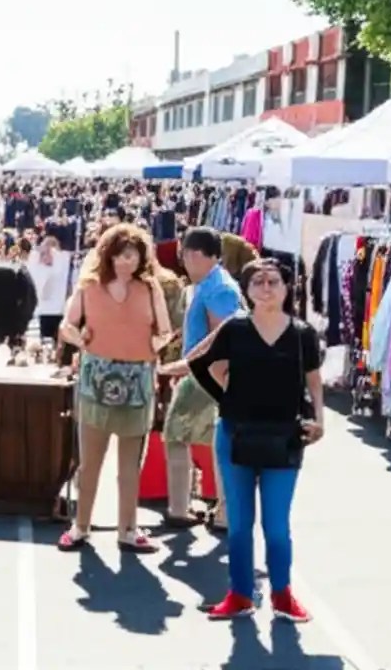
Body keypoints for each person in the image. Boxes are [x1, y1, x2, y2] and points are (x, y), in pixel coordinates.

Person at [167, 258, 324, 621]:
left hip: (285, 437)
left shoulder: (302, 333)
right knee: (238, 525)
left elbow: (314, 379)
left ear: (286, 288)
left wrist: (319, 419)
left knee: (277, 526)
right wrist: (225, 396)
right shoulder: (235, 328)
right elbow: (202, 364)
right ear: (247, 289)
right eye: (258, 282)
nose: (266, 288)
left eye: (273, 282)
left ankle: (282, 595)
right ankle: (239, 594)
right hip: (235, 434)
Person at [57, 223, 172, 553]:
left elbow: (164, 330)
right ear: (108, 255)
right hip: (96, 379)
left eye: (132, 255)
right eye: (121, 255)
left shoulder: (150, 288)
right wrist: (81, 341)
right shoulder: (89, 285)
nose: (126, 261)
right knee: (89, 462)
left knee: (129, 465)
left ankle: (128, 530)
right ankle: (80, 526)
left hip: (137, 381)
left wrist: (154, 347)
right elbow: (67, 325)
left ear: (142, 257)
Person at [161, 226, 241, 530]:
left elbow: (222, 339)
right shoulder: (209, 284)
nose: (184, 260)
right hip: (205, 374)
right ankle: (216, 511)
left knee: (178, 435)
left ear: (197, 255)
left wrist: (181, 368)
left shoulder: (218, 289)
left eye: (186, 254)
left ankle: (185, 508)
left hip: (207, 375)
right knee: (215, 442)